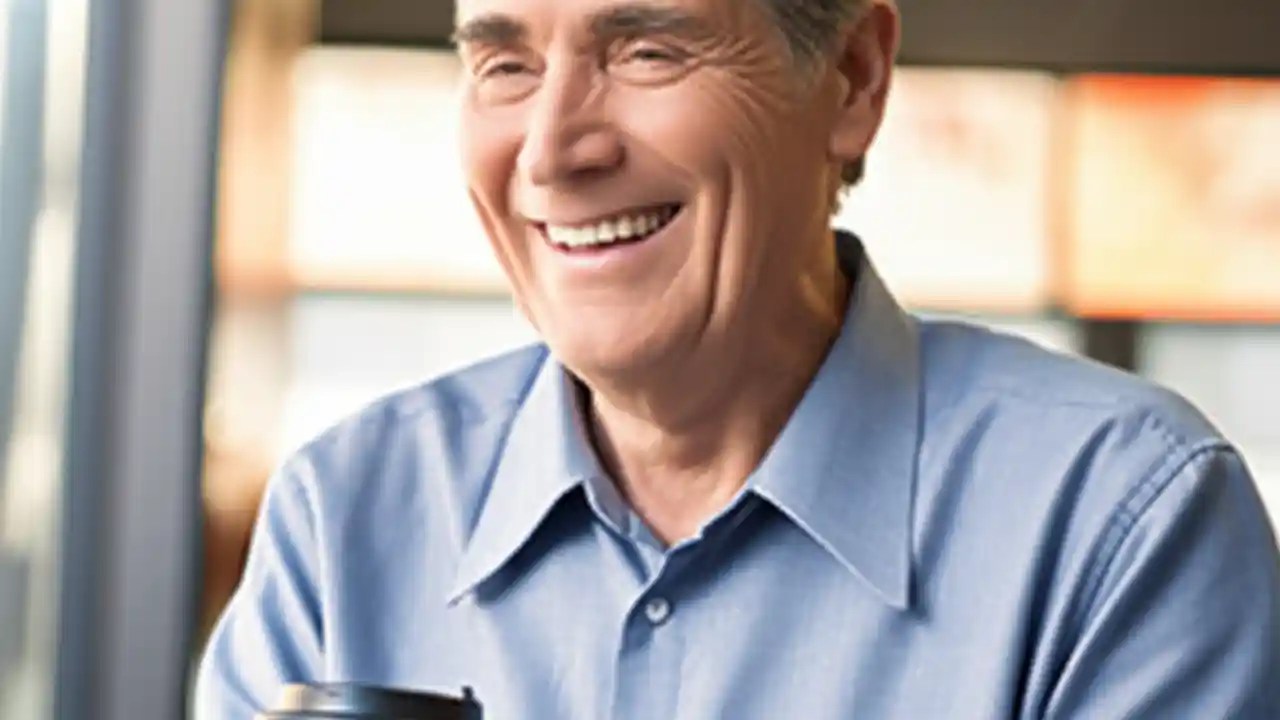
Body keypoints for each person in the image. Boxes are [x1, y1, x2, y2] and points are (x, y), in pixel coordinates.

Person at [195, 0, 1280, 717]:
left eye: (647, 48)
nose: (551, 149)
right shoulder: (343, 522)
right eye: (505, 63)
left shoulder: (1120, 521)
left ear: (852, 78)